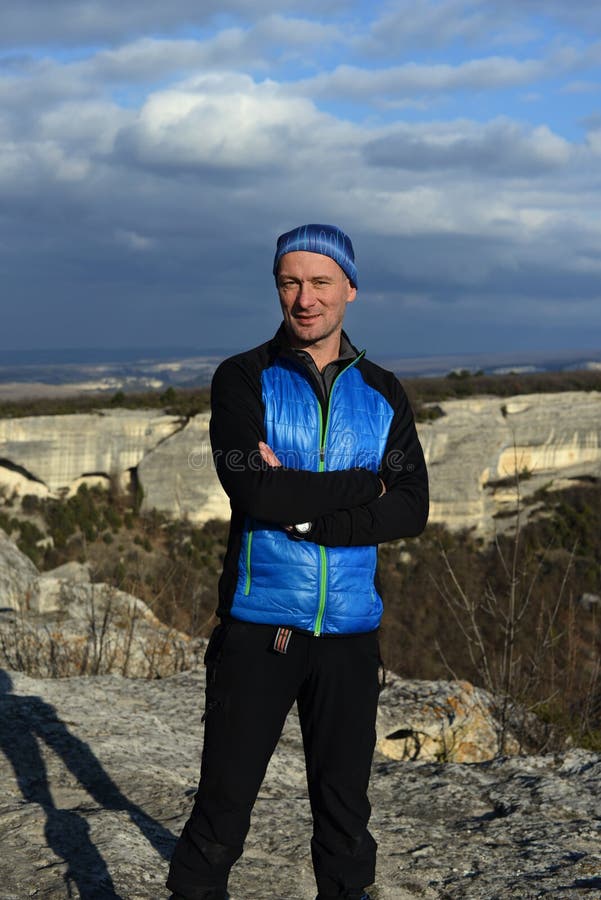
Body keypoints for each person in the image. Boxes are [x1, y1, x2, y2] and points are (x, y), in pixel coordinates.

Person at [166, 223, 429, 900]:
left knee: (345, 823)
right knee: (221, 813)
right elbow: (253, 488)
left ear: (349, 289)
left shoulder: (383, 391)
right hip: (259, 630)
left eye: (319, 282)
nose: (304, 299)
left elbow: (412, 508)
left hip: (349, 636)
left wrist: (310, 516)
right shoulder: (243, 377)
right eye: (290, 283)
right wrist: (365, 483)